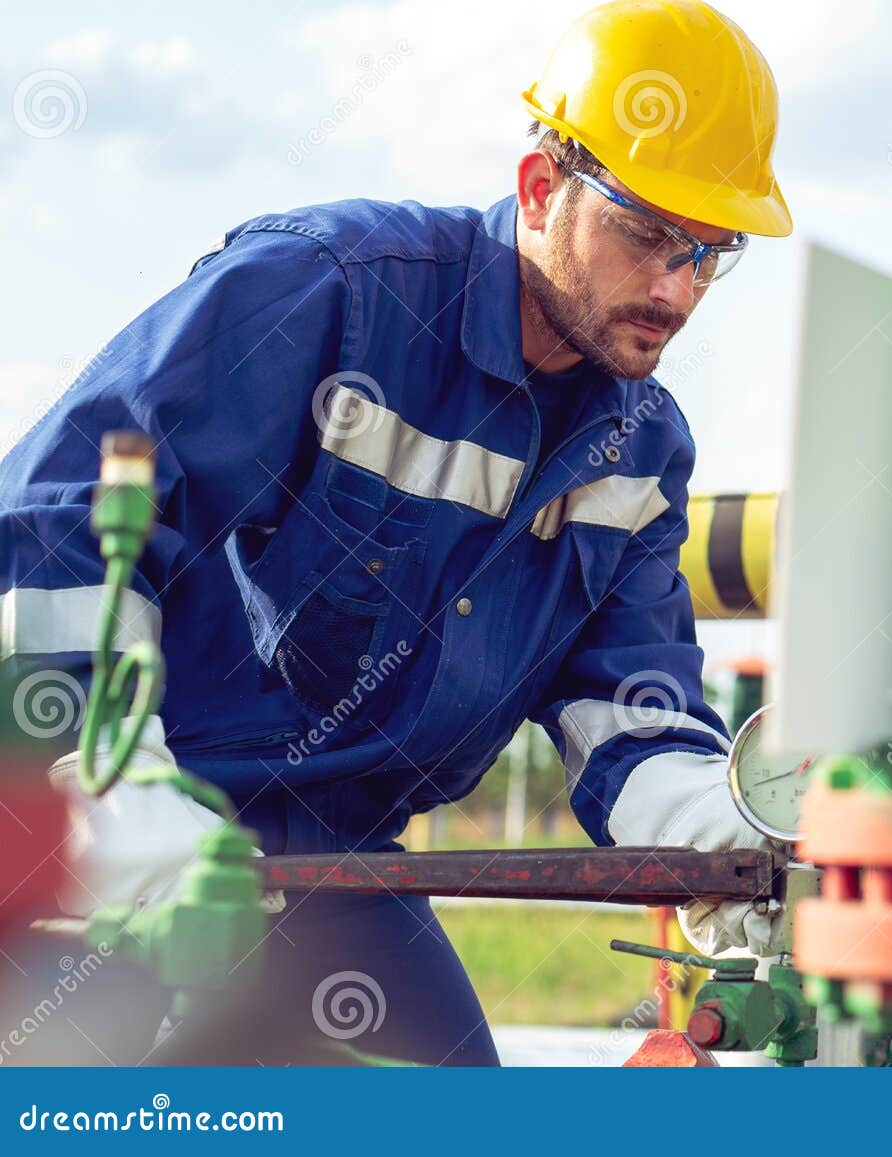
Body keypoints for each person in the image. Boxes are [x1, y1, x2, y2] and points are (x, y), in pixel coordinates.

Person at [0, 0, 790, 1066]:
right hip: (144, 839)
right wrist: (114, 794)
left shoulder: (640, 451)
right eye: (646, 232)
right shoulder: (332, 292)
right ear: (540, 188)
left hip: (345, 867)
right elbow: (55, 515)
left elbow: (629, 717)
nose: (674, 287)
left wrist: (726, 835)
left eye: (709, 251)